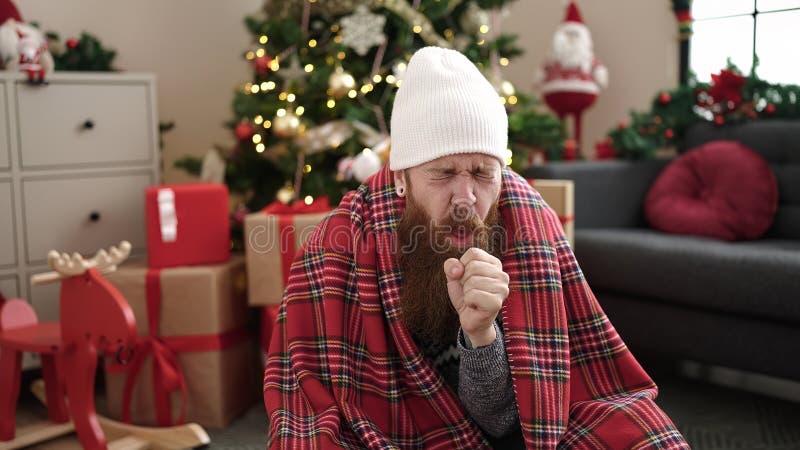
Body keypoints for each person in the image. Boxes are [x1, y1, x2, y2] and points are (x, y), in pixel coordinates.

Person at [264, 46, 688, 449]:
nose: (465, 198)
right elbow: (308, 410)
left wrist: (481, 336)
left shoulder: (528, 223)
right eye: (443, 172)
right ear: (400, 178)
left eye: (483, 173)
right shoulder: (337, 246)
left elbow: (509, 422)